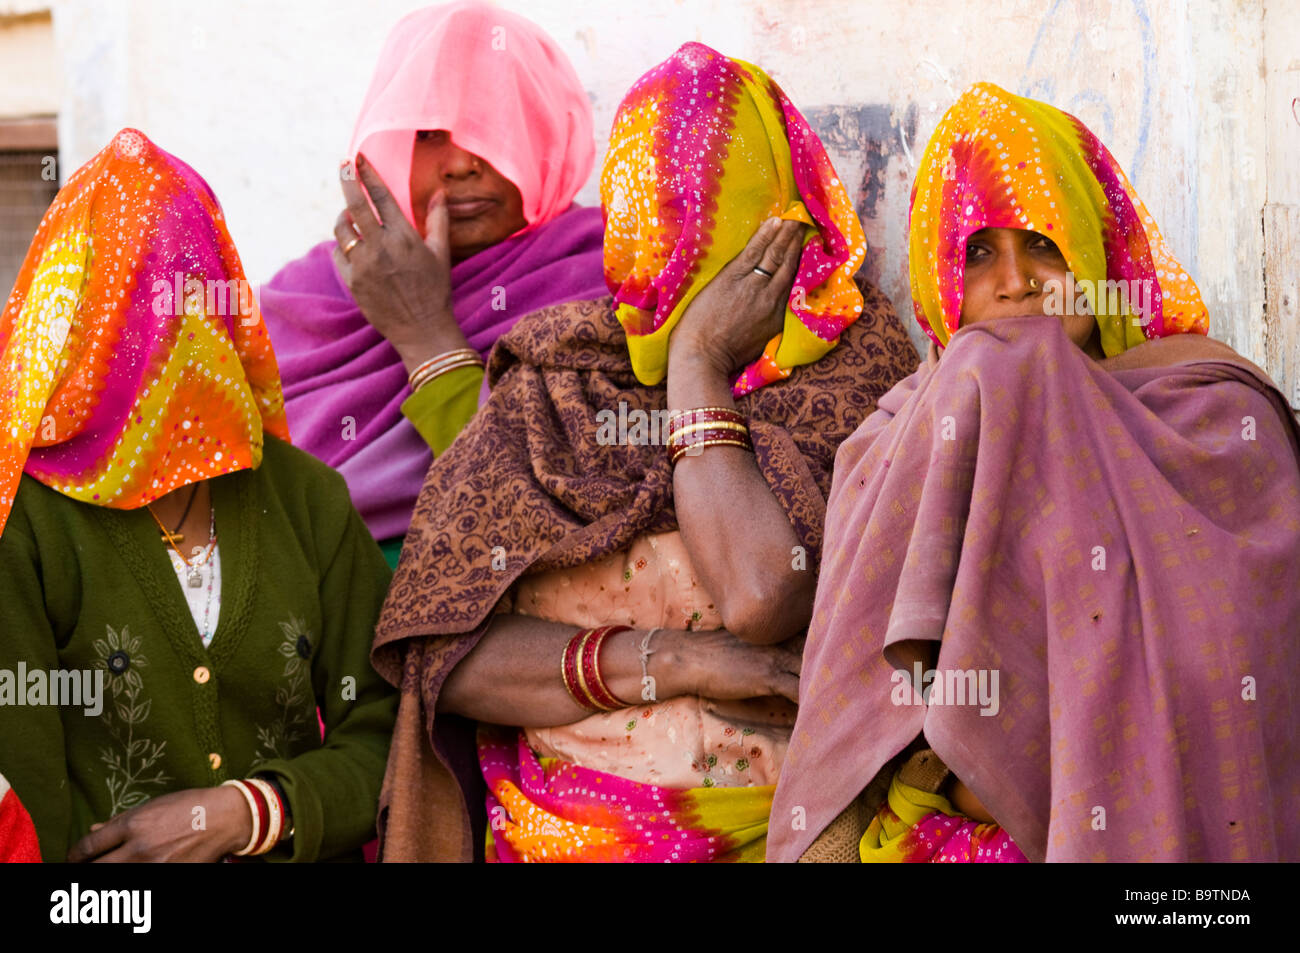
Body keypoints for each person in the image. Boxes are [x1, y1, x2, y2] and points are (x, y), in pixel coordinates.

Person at [370, 42, 919, 863]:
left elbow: (762, 593)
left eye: (707, 206)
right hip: (569, 833)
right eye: (650, 210)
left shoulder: (863, 372)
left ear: (789, 210)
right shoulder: (558, 377)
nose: (677, 240)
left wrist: (697, 367)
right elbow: (444, 654)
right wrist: (683, 661)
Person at [768, 82, 1300, 863]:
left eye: (1043, 242)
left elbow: (1239, 667)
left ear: (1096, 250)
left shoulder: (1214, 417)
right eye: (977, 253)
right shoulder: (895, 442)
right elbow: (856, 716)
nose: (1015, 281)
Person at [0, 128, 396, 862]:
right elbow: (25, 798)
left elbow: (391, 731)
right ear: (67, 320)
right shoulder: (23, 524)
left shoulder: (308, 500)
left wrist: (248, 812)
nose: (161, 332)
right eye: (122, 304)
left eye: (186, 291)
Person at [259, 0, 606, 565]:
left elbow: (556, 501)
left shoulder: (597, 277)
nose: (462, 162)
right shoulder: (309, 295)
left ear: (548, 133)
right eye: (428, 133)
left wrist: (423, 333)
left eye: (496, 126)